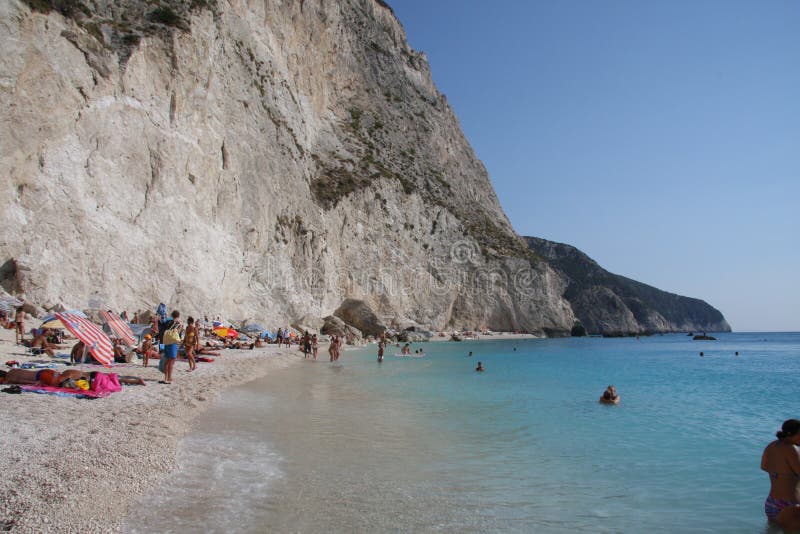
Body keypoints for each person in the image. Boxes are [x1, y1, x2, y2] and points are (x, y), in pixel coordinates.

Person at [761, 419, 800, 528]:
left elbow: (763, 466)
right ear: (790, 434)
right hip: (789, 504)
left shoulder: (771, 445)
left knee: (772, 530)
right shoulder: (791, 449)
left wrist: (781, 473)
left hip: (771, 502)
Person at [161, 310, 182, 384]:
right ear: (178, 315)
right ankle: (169, 377)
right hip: (173, 343)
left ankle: (166, 377)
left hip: (166, 342)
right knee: (171, 360)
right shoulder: (178, 323)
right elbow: (178, 333)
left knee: (167, 360)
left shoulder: (167, 322)